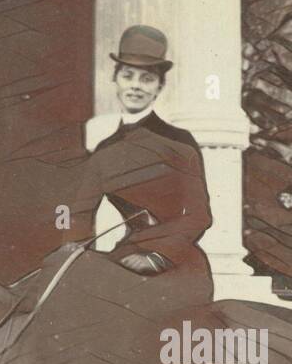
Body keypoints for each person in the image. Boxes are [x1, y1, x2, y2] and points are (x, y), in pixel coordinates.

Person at [69, 24, 215, 312]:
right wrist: (72, 253)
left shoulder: (178, 143)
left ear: (159, 87)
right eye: (128, 76)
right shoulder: (105, 149)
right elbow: (78, 212)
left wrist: (157, 257)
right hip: (125, 257)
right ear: (116, 80)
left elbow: (199, 216)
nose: (135, 85)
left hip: (176, 263)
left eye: (147, 79)